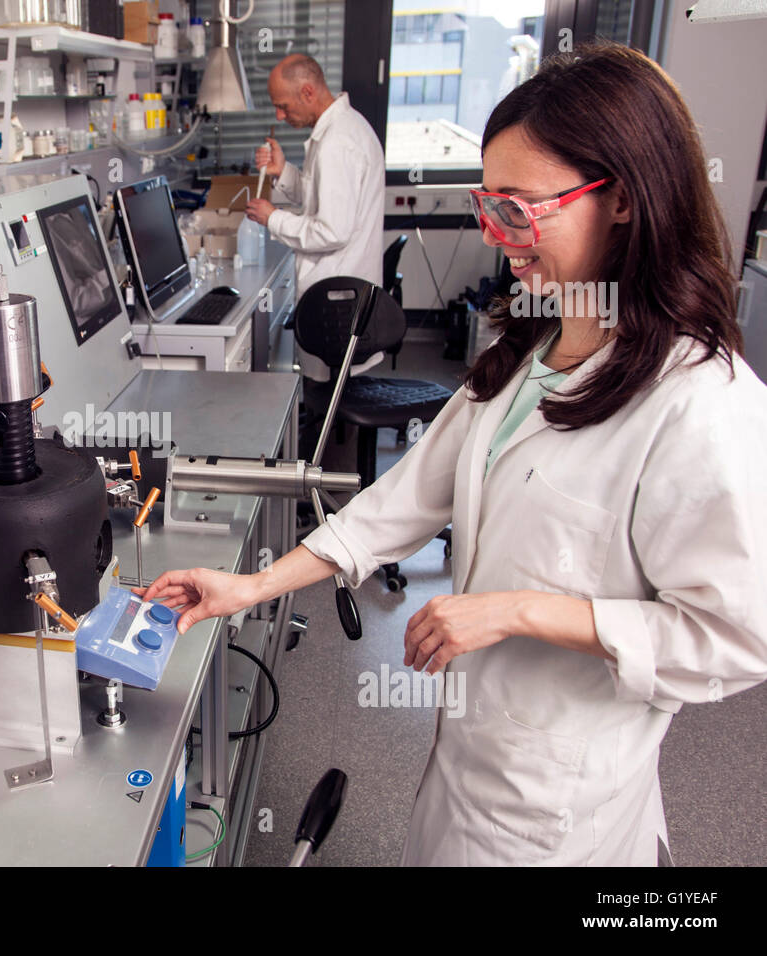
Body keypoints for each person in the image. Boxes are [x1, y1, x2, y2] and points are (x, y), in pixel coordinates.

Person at [142, 42, 767, 865]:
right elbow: (402, 502)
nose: (495, 234)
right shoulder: (532, 350)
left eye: (519, 208)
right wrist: (250, 586)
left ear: (620, 199)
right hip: (470, 765)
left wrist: (518, 609)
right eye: (487, 204)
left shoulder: (701, 400)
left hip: (560, 809)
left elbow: (735, 635)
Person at [245, 53, 386, 462]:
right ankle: (319, 465)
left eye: (284, 104)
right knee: (323, 396)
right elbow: (318, 199)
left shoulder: (338, 143)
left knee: (325, 398)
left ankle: (314, 481)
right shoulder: (339, 131)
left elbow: (331, 230)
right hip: (344, 295)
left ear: (308, 91)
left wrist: (273, 220)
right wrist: (282, 170)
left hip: (340, 302)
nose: (279, 113)